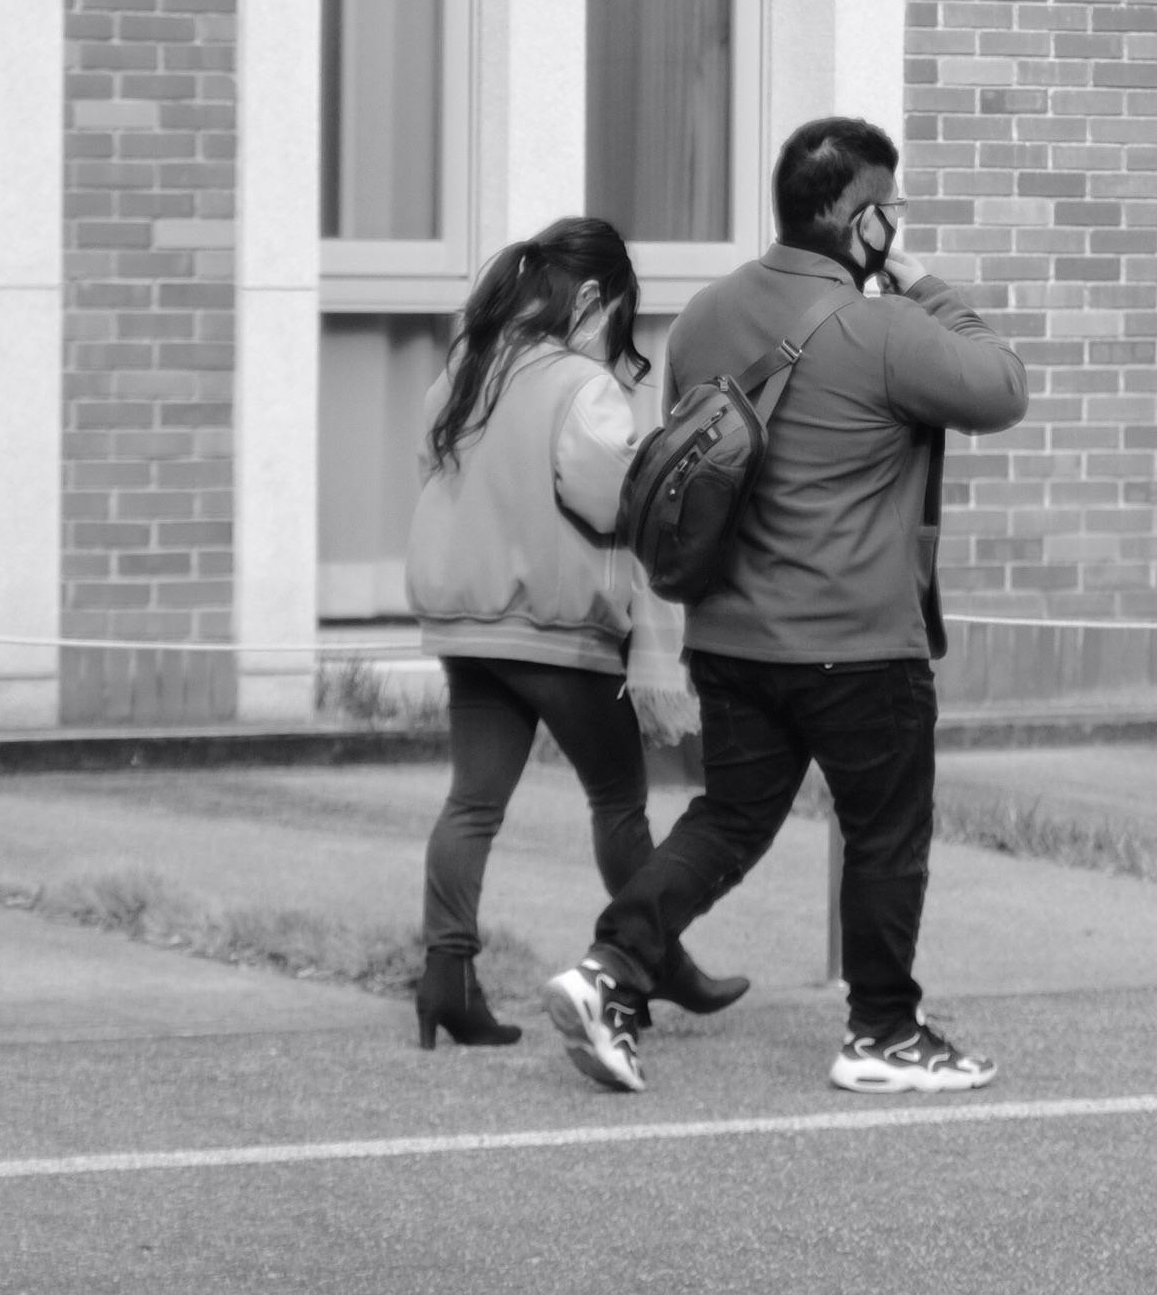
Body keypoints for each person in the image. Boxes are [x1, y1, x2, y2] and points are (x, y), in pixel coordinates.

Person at [542, 116, 1026, 1102]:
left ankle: (611, 970)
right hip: (855, 643)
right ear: (861, 220)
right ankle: (884, 1033)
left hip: (732, 637)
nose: (896, 224)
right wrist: (920, 275)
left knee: (728, 819)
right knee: (886, 832)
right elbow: (999, 385)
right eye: (891, 210)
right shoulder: (886, 327)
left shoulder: (709, 316)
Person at [402, 213, 750, 1054]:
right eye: (617, 318)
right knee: (618, 803)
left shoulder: (464, 372)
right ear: (593, 298)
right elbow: (615, 505)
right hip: (560, 633)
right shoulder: (578, 386)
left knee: (472, 804)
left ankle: (446, 976)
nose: (614, 339)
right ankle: (651, 958)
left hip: (469, 628)